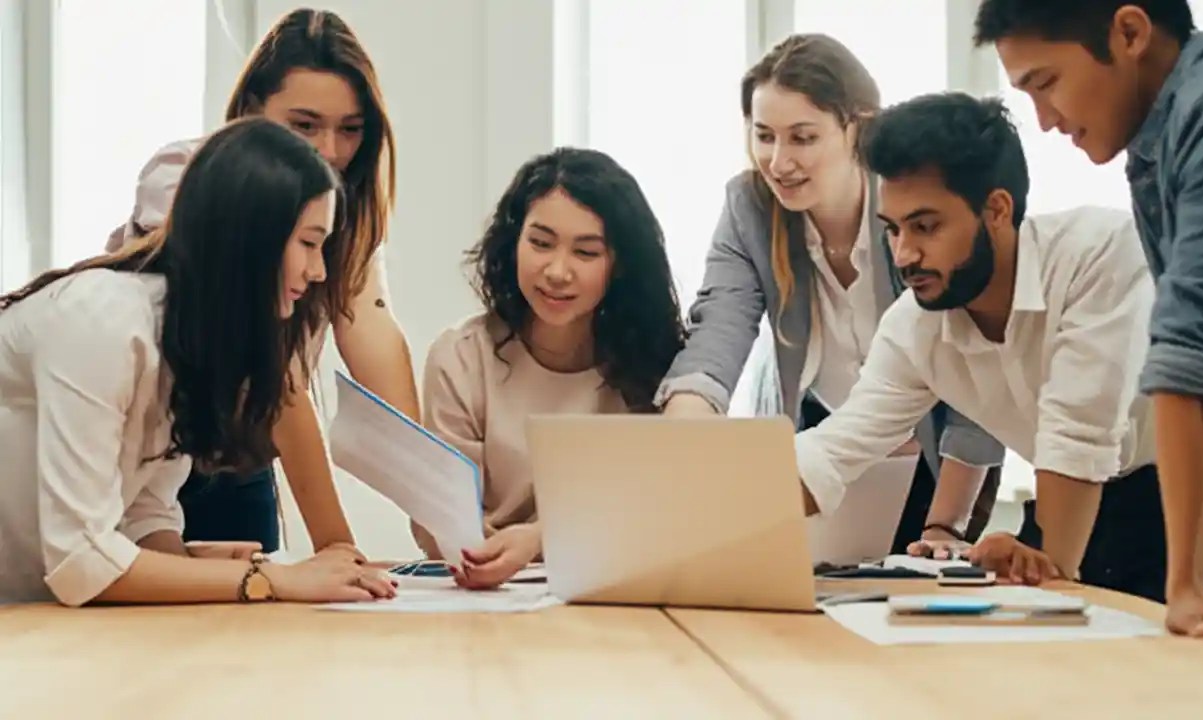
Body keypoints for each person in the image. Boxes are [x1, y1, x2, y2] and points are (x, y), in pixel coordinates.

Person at [794, 92, 1203, 609]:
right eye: (893, 229)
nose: (904, 254)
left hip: (1194, 500)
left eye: (926, 226)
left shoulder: (1099, 252)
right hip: (1069, 497)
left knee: (1156, 663)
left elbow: (1078, 428)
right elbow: (835, 448)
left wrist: (1052, 563)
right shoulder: (913, 326)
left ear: (997, 209)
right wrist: (735, 529)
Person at [973, 0, 1203, 639]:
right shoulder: (1154, 147)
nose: (1045, 120)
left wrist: (1186, 587)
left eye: (1046, 83)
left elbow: (1192, 354)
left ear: (1130, 32)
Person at [0, 118, 396, 605]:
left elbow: (145, 515)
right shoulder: (101, 322)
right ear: (249, 239)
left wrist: (197, 565)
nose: (318, 271)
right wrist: (268, 580)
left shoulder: (190, 337)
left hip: (29, 611)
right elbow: (81, 563)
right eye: (309, 244)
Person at [657, 33, 1006, 553]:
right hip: (817, 440)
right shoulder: (750, 208)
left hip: (935, 453)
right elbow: (720, 327)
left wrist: (946, 526)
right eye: (764, 136)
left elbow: (974, 361)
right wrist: (681, 437)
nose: (778, 162)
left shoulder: (908, 209)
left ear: (856, 128)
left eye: (802, 138)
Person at [107, 9, 412, 558]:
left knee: (261, 605)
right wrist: (338, 546)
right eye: (304, 125)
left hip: (238, 458)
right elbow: (274, 372)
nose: (329, 151)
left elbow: (374, 334)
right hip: (146, 454)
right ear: (250, 110)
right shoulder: (183, 177)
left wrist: (441, 503)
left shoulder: (342, 212)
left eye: (350, 129)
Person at [411, 147, 685, 588]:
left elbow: (666, 510)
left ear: (620, 265)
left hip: (618, 588)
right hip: (486, 594)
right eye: (540, 243)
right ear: (513, 243)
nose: (557, 271)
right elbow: (439, 523)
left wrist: (542, 539)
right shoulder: (460, 358)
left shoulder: (660, 363)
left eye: (586, 252)